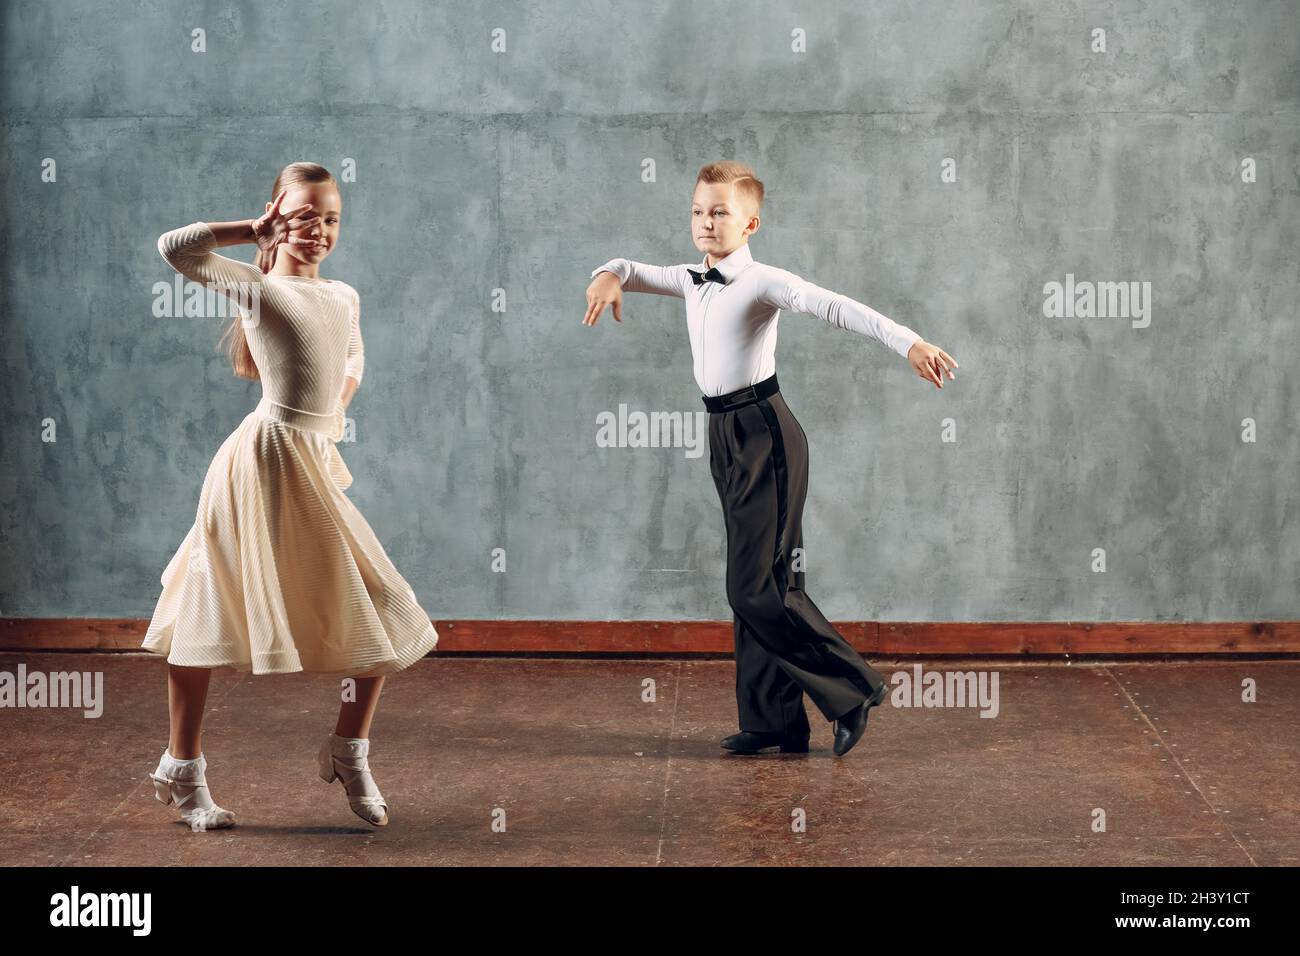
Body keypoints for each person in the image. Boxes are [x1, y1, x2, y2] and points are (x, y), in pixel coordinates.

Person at [583, 161, 956, 757]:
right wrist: (607, 275)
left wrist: (908, 341)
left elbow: (836, 306)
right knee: (765, 582)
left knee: (754, 587)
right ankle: (772, 721)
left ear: (750, 222)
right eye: (698, 211)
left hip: (765, 435)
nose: (706, 222)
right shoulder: (688, 277)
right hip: (722, 433)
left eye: (720, 212)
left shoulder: (762, 282)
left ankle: (854, 688)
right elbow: (629, 267)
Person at [142, 162, 438, 829]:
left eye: (331, 218)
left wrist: (334, 413)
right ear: (277, 213)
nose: (319, 230)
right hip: (257, 462)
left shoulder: (344, 295)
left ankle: (348, 748)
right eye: (305, 215)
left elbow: (352, 354)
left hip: (307, 461)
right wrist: (249, 232)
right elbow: (175, 249)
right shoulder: (255, 287)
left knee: (381, 605)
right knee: (207, 613)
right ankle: (183, 770)